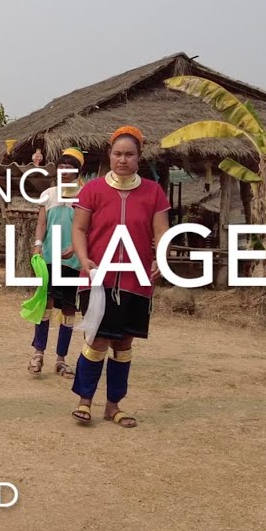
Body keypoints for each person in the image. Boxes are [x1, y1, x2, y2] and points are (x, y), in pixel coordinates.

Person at [70, 126, 170, 428]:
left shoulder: (153, 192)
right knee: (97, 338)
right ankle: (84, 401)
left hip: (135, 281)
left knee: (124, 343)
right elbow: (79, 229)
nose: (122, 159)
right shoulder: (93, 190)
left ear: (139, 158)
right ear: (109, 156)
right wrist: (84, 258)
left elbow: (161, 231)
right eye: (117, 154)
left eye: (129, 154)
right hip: (98, 277)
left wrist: (161, 258)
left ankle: (113, 406)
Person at [29, 147, 86, 378]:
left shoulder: (85, 195)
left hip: (73, 261)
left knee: (69, 309)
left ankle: (61, 359)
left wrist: (76, 247)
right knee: (46, 303)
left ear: (77, 170)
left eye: (69, 167)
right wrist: (37, 245)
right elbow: (41, 224)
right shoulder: (49, 194)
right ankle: (38, 353)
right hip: (50, 258)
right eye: (61, 167)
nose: (64, 171)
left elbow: (86, 227)